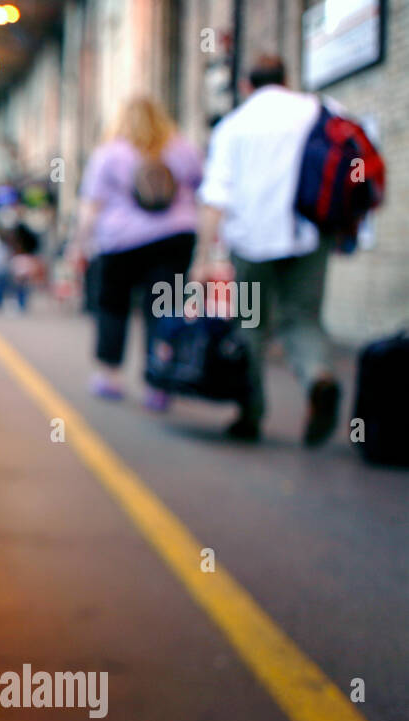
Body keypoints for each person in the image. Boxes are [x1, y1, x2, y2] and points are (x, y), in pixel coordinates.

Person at [193, 54, 341, 445]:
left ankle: (250, 414)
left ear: (246, 85)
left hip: (250, 241)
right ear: (287, 78)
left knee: (251, 326)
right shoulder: (319, 110)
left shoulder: (232, 127)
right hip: (308, 235)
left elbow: (215, 197)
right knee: (303, 318)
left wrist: (202, 258)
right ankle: (318, 378)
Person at [73, 96, 203, 409]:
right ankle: (158, 382)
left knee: (112, 306)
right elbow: (203, 188)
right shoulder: (183, 148)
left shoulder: (109, 153)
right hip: (175, 237)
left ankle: (110, 377)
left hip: (120, 242)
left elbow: (91, 205)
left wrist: (79, 242)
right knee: (162, 309)